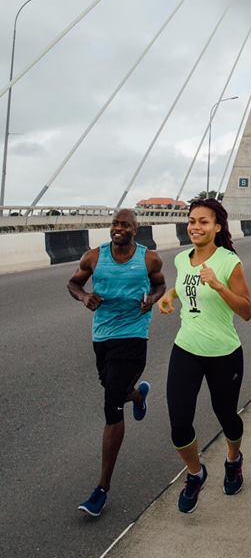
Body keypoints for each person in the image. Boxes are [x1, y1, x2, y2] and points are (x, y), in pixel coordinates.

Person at [68, 208, 166, 517]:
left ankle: (101, 489)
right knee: (114, 388)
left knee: (112, 404)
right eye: (115, 224)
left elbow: (160, 285)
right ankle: (137, 394)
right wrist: (84, 297)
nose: (118, 228)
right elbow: (73, 284)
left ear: (135, 229)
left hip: (134, 335)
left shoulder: (149, 259)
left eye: (125, 224)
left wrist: (151, 299)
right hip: (103, 336)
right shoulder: (94, 257)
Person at [158, 197, 251, 514]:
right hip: (186, 347)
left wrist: (219, 286)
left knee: (227, 417)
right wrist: (169, 296)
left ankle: (233, 460)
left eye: (203, 222)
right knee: (179, 423)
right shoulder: (183, 259)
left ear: (217, 227)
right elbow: (184, 287)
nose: (196, 227)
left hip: (224, 352)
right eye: (192, 221)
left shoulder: (229, 263)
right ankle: (196, 474)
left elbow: (247, 311)